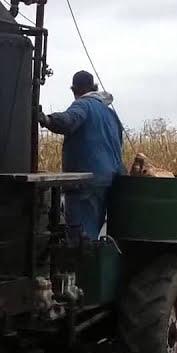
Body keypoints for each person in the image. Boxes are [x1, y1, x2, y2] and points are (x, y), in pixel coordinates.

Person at [38, 70, 126, 238]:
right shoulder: (110, 113)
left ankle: (80, 264)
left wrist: (46, 119)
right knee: (94, 230)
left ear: (74, 90)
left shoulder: (83, 104)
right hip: (109, 181)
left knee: (80, 239)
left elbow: (68, 120)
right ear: (94, 87)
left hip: (86, 182)